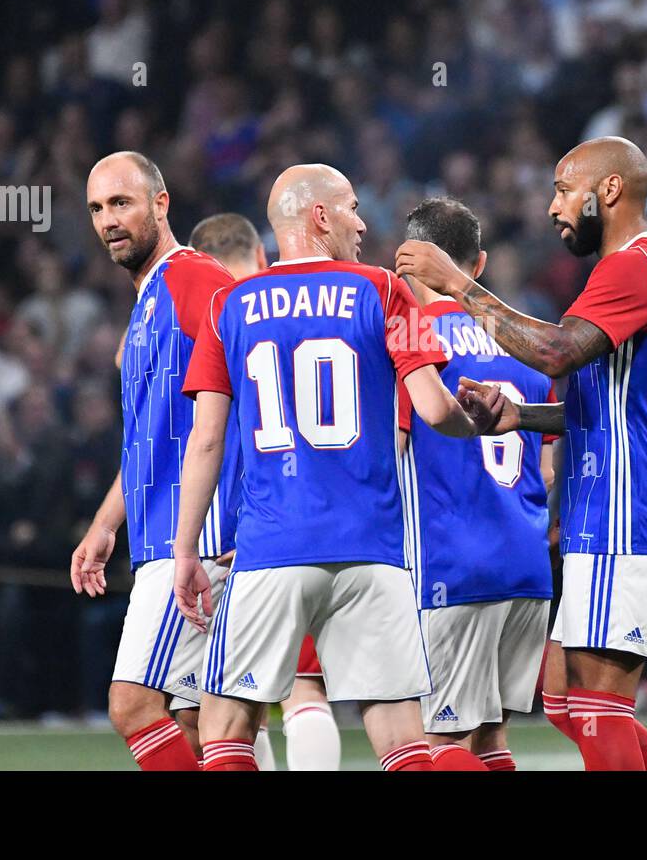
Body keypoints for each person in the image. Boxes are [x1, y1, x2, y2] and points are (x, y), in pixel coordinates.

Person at [171, 163, 503, 772]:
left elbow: (207, 440)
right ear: (319, 216)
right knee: (404, 741)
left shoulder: (229, 304)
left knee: (225, 727)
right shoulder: (381, 289)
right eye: (351, 206)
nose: (361, 219)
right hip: (373, 551)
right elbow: (433, 406)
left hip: (273, 547)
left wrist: (186, 549)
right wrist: (478, 422)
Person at [397, 136, 647, 771]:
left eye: (564, 190)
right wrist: (522, 415)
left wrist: (458, 286)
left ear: (608, 191)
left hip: (631, 511)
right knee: (565, 699)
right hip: (606, 515)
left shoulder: (634, 266)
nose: (551, 207)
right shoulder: (628, 271)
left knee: (597, 706)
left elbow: (556, 352)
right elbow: (608, 406)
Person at [70, 151, 235, 770]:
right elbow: (152, 440)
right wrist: (106, 524)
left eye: (121, 203)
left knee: (133, 705)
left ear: (160, 205)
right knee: (197, 725)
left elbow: (243, 376)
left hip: (193, 537)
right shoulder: (148, 300)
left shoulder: (191, 276)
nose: (108, 220)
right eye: (96, 208)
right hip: (169, 532)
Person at [399, 197, 556, 771]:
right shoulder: (527, 343)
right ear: (481, 263)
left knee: (440, 748)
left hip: (451, 566)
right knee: (492, 743)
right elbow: (548, 466)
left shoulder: (409, 342)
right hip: (526, 563)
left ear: (407, 265)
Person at [187, 211, 341, 771]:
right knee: (301, 687)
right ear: (259, 255)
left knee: (225, 704)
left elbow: (197, 437)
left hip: (205, 533)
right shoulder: (296, 310)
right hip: (297, 521)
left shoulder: (202, 318)